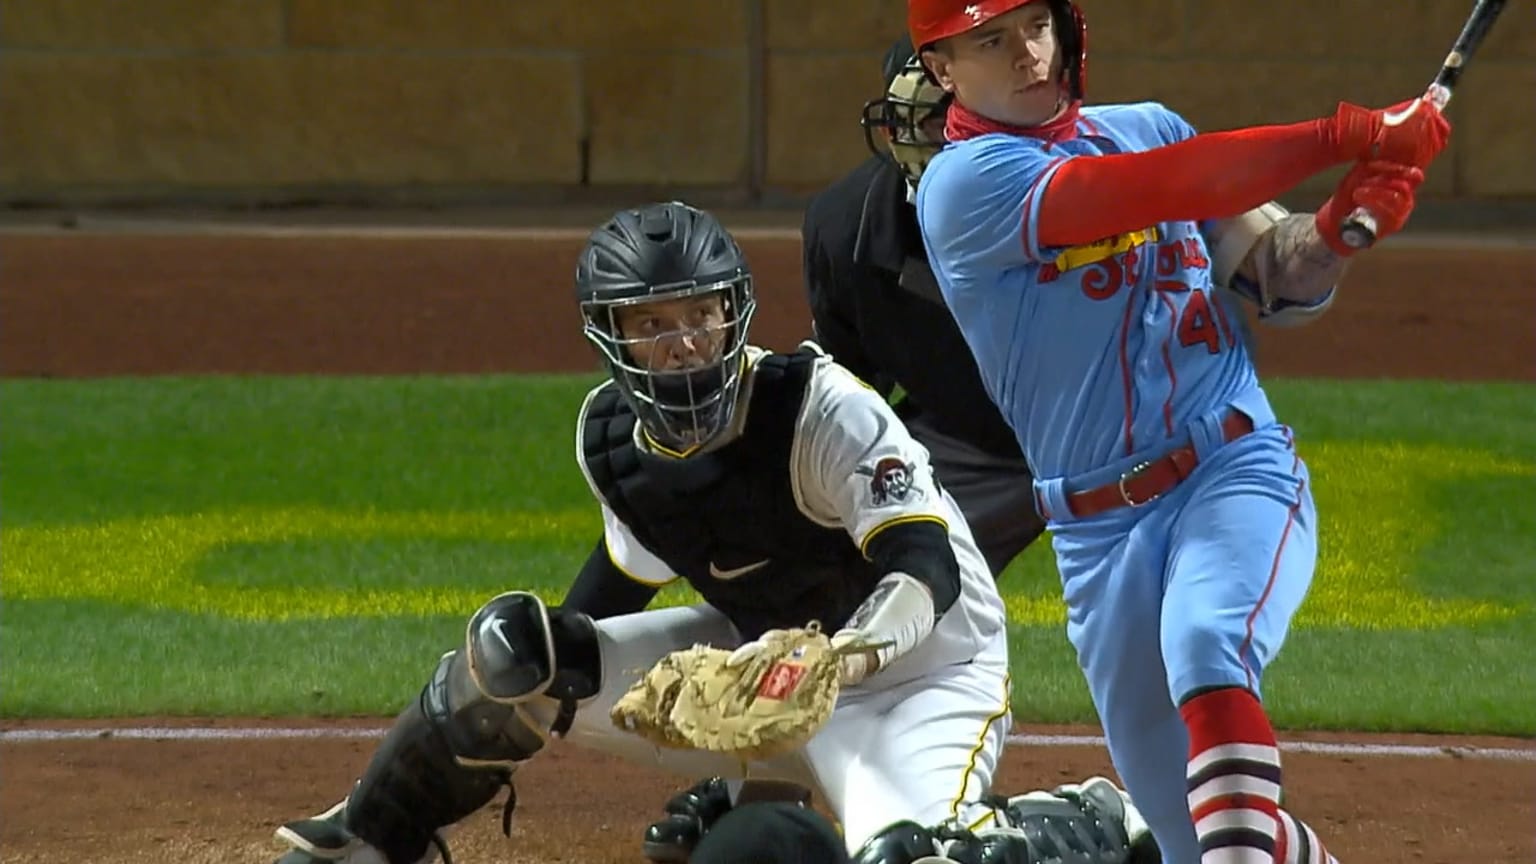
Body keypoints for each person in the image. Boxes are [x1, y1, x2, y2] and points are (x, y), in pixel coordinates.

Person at [266, 201, 1153, 864]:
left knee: (913, 859)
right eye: (653, 324)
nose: (685, 342)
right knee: (513, 653)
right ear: (611, 338)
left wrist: (834, 662)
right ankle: (372, 835)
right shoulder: (614, 443)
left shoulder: (819, 408)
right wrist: (544, 677)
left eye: (701, 314)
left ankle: (1082, 821)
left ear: (735, 313)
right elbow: (617, 587)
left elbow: (925, 567)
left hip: (917, 675)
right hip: (758, 657)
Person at [905, 2, 1451, 863]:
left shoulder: (1149, 127)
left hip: (1229, 467)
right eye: (990, 40)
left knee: (1207, 642)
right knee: (1191, 836)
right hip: (1096, 535)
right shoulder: (963, 185)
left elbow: (1276, 274)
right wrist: (1349, 134)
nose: (1028, 53)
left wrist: (1338, 227)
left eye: (1036, 25)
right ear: (942, 69)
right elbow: (1164, 187)